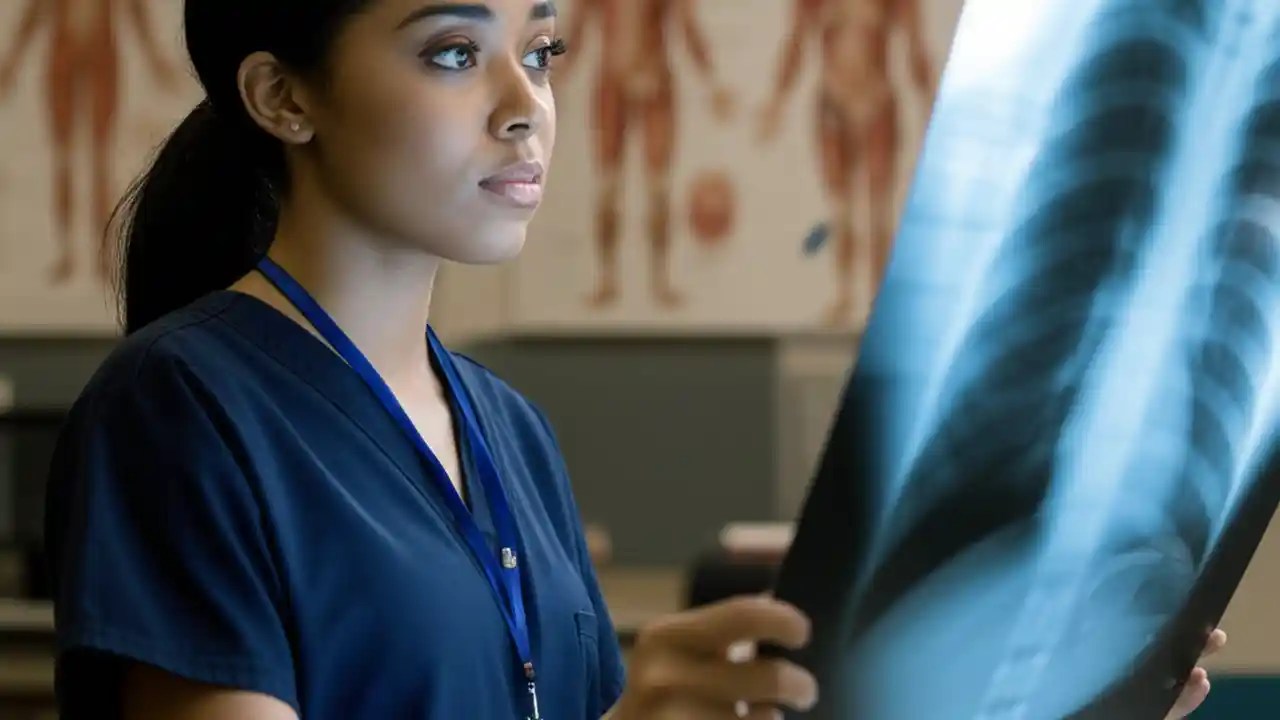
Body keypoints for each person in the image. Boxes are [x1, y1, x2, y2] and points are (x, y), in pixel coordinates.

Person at [39, 1, 1222, 719]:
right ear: (280, 95)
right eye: (453, 52)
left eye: (541, 50)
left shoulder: (507, 429)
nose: (525, 105)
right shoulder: (182, 408)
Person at [758, 0, 936, 326]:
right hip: (832, 100)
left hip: (877, 99)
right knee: (841, 212)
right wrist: (776, 103)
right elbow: (796, 43)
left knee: (878, 212)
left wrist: (929, 107)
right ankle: (844, 294)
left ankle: (878, 299)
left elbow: (915, 49)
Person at [556, 0, 733, 309]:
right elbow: (577, 29)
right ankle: (607, 278)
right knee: (608, 186)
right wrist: (557, 80)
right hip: (612, 84)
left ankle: (660, 278)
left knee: (658, 189)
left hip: (655, 82)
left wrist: (712, 83)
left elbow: (687, 26)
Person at [0, 0, 179, 283]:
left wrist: (154, 60)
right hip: (65, 53)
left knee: (99, 160)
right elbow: (35, 13)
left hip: (101, 54)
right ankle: (67, 250)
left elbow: (135, 11)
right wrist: (12, 62)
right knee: (65, 157)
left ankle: (101, 254)